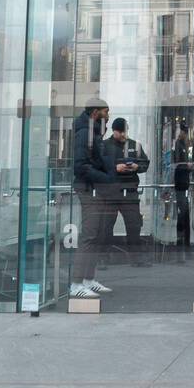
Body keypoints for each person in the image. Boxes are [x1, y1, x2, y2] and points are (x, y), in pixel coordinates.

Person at [70, 97, 114, 299]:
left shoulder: (93, 131)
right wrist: (106, 177)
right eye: (106, 111)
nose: (108, 115)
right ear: (96, 112)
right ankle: (76, 283)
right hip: (88, 188)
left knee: (96, 234)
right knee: (89, 235)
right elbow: (80, 166)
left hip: (95, 187)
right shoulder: (84, 132)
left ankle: (88, 279)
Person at [101, 118, 150, 265]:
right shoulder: (104, 146)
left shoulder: (135, 145)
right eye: (120, 131)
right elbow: (98, 166)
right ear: (113, 130)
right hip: (111, 191)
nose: (123, 134)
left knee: (134, 225)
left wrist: (137, 167)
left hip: (129, 191)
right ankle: (104, 257)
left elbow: (145, 163)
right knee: (106, 225)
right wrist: (115, 169)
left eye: (125, 131)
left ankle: (135, 258)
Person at [172, 125, 192, 247]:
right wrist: (187, 166)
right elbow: (178, 163)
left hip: (184, 183)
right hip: (180, 183)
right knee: (182, 211)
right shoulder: (178, 145)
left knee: (184, 211)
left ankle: (184, 238)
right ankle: (181, 237)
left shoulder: (183, 145)